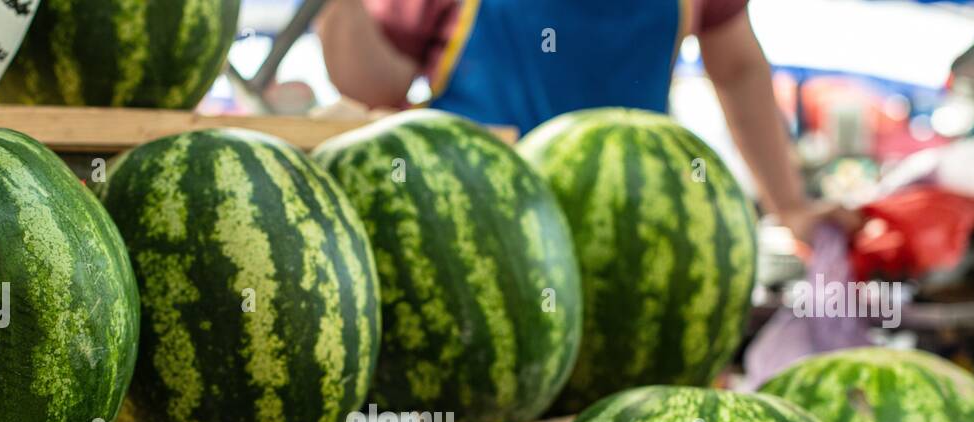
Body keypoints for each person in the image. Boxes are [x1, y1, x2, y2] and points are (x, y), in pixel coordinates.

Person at [317, 0, 853, 242]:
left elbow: (738, 70)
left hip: (635, 225)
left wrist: (791, 207)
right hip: (471, 229)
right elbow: (373, 88)